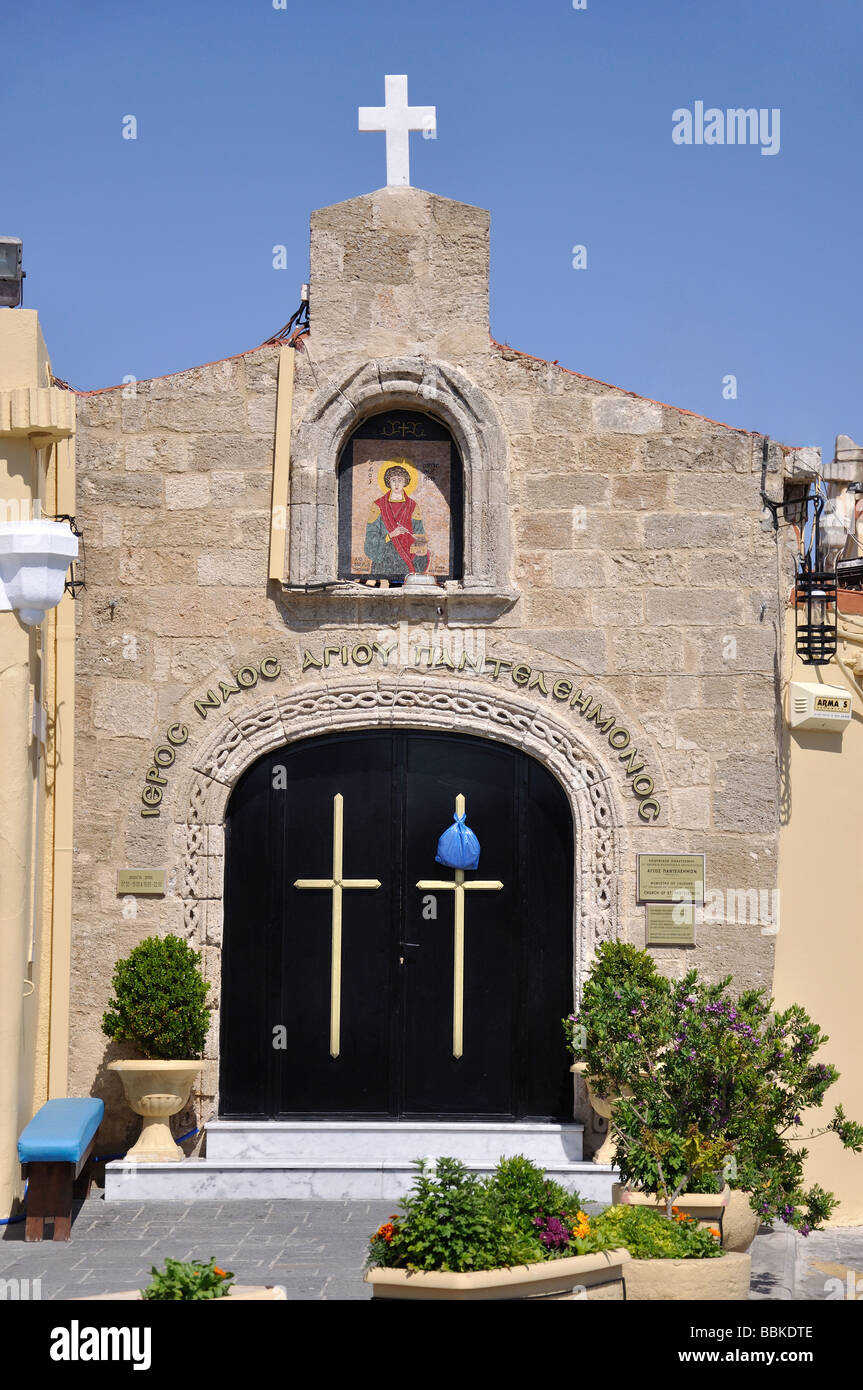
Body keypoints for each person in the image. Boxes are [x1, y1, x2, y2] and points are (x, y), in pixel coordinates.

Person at [364, 463, 429, 577]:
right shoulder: (378, 506)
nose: (397, 483)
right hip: (384, 557)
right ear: (389, 483)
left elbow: (419, 533)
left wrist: (420, 544)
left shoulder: (413, 506)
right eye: (393, 480)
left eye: (400, 480)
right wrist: (391, 535)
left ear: (405, 482)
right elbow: (371, 536)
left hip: (407, 557)